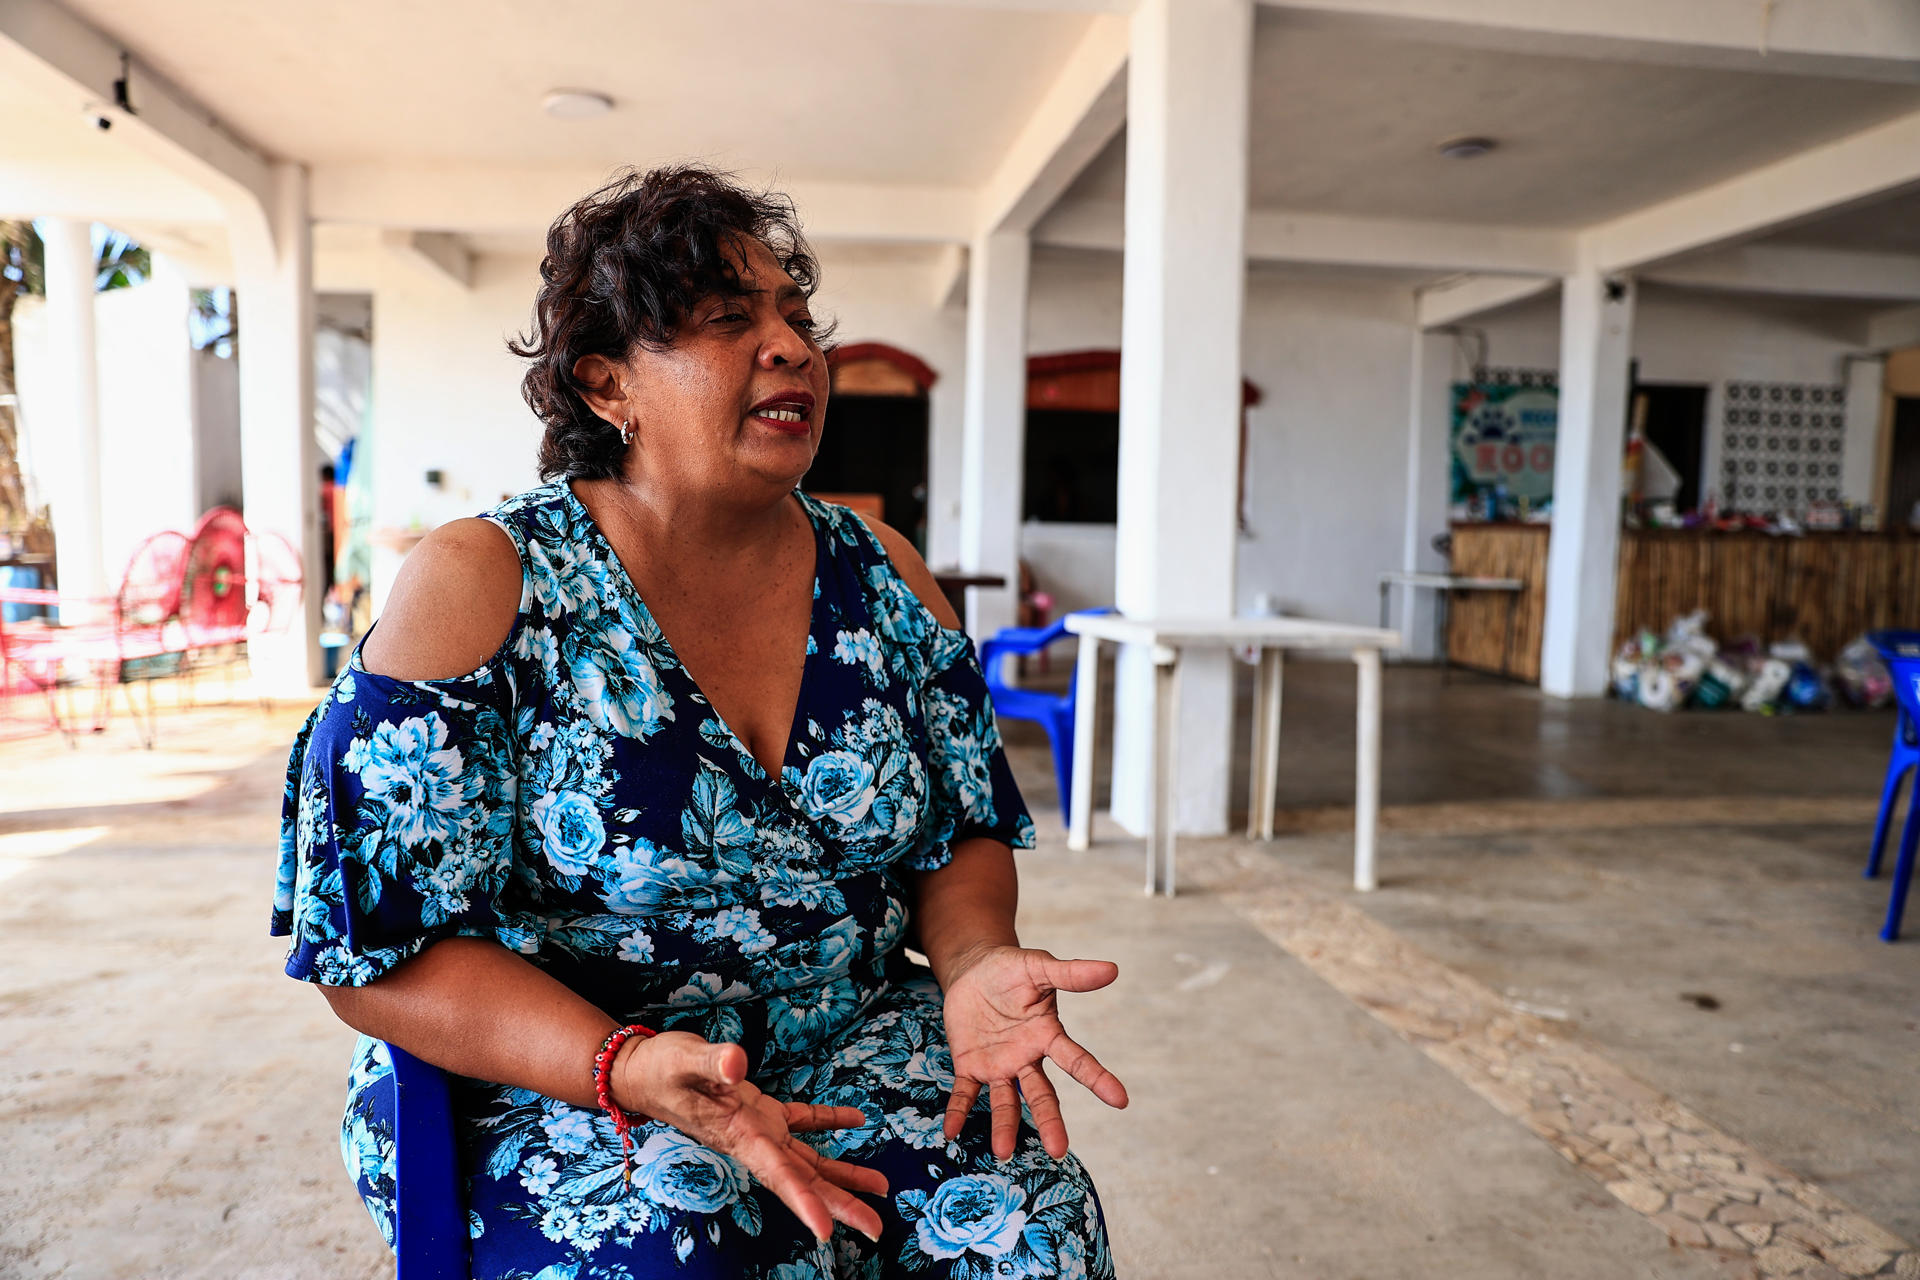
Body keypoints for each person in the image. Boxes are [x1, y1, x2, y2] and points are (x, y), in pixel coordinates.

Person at [272, 165, 1128, 1280]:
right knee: (696, 1246)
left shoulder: (885, 576)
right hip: (570, 1070)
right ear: (606, 382)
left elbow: (960, 830)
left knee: (1034, 1224)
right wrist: (620, 1061)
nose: (793, 349)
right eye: (731, 321)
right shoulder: (487, 583)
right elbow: (373, 952)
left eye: (796, 319)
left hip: (852, 1035)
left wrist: (972, 959)